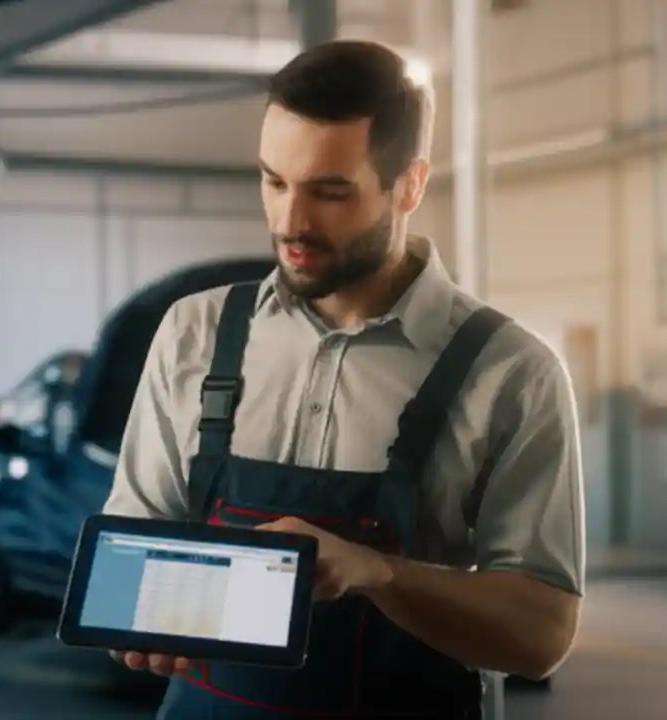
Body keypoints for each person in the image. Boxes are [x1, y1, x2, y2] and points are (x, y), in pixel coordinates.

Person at [104, 40, 585, 718]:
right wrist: (139, 614)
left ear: (410, 185)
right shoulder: (195, 333)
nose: (290, 222)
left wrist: (379, 572)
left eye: (330, 192)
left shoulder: (510, 373)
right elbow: (129, 545)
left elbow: (542, 636)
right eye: (274, 182)